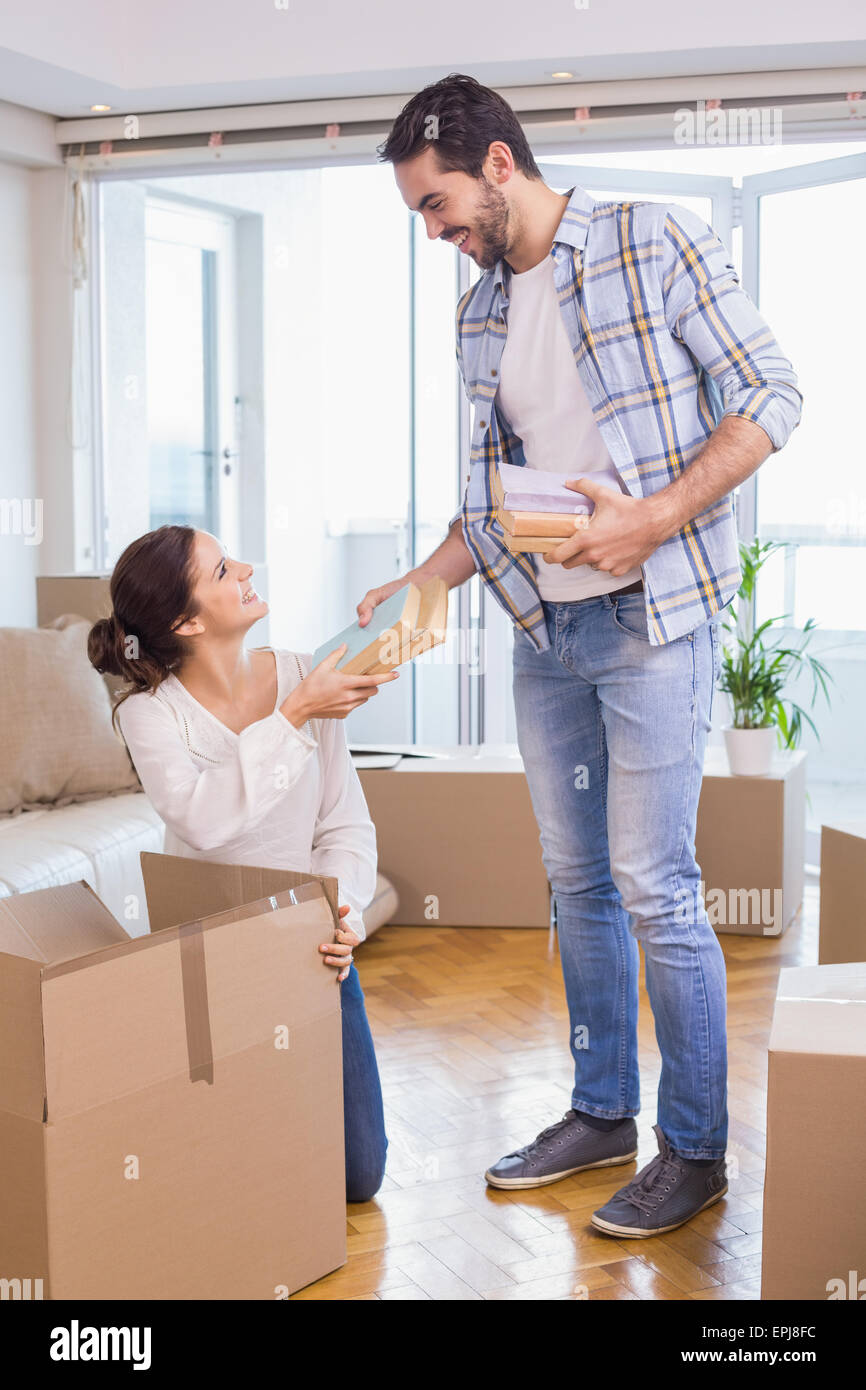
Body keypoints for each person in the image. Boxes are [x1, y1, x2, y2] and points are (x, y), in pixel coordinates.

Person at [359, 74, 803, 1237]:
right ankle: (598, 1111)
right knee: (578, 885)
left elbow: (773, 388)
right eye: (421, 214)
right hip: (543, 630)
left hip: (652, 619)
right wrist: (418, 583)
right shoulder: (480, 315)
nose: (436, 232)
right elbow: (487, 502)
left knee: (656, 888)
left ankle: (693, 1149)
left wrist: (652, 514)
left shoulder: (653, 241)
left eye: (438, 205)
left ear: (498, 164)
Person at [88, 522, 394, 1204]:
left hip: (310, 948)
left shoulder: (300, 675)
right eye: (224, 570)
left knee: (359, 1177)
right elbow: (202, 819)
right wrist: (293, 717)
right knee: (223, 1161)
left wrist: (345, 916)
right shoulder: (149, 714)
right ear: (185, 620)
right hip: (210, 958)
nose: (248, 568)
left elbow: (344, 822)